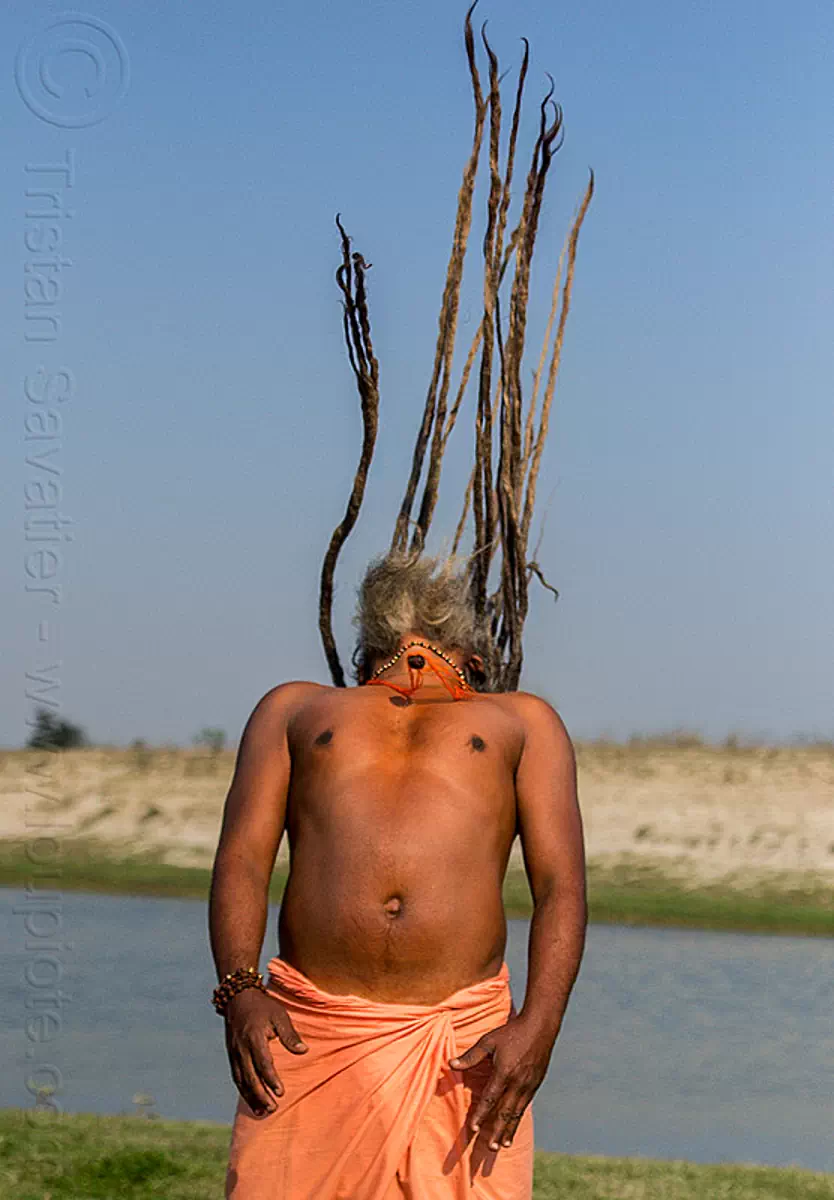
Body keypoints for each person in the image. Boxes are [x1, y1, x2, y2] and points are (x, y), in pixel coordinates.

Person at [209, 551, 587, 1199]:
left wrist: (540, 1024)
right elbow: (242, 859)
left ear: (473, 660)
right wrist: (241, 990)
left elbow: (561, 889)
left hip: (465, 1043)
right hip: (308, 1035)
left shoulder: (520, 721)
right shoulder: (297, 709)